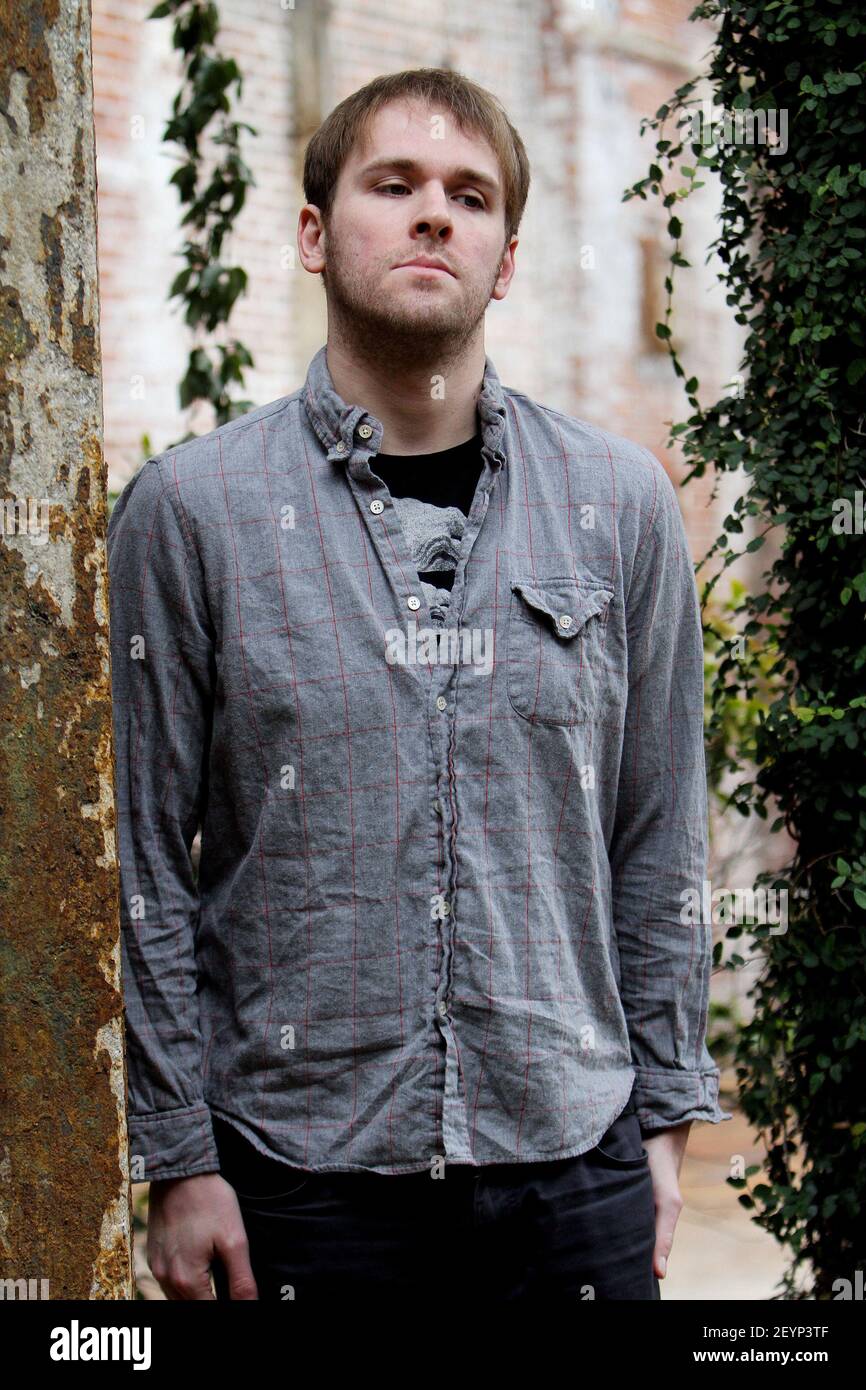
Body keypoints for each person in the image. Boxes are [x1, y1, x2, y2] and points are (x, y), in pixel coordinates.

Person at [108, 66, 730, 1304]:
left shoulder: (618, 508)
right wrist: (179, 1160)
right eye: (392, 185)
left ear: (504, 259)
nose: (432, 214)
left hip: (571, 1163)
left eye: (469, 194)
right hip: (293, 1178)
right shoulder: (192, 514)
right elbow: (144, 865)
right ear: (312, 233)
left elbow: (659, 834)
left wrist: (660, 1124)